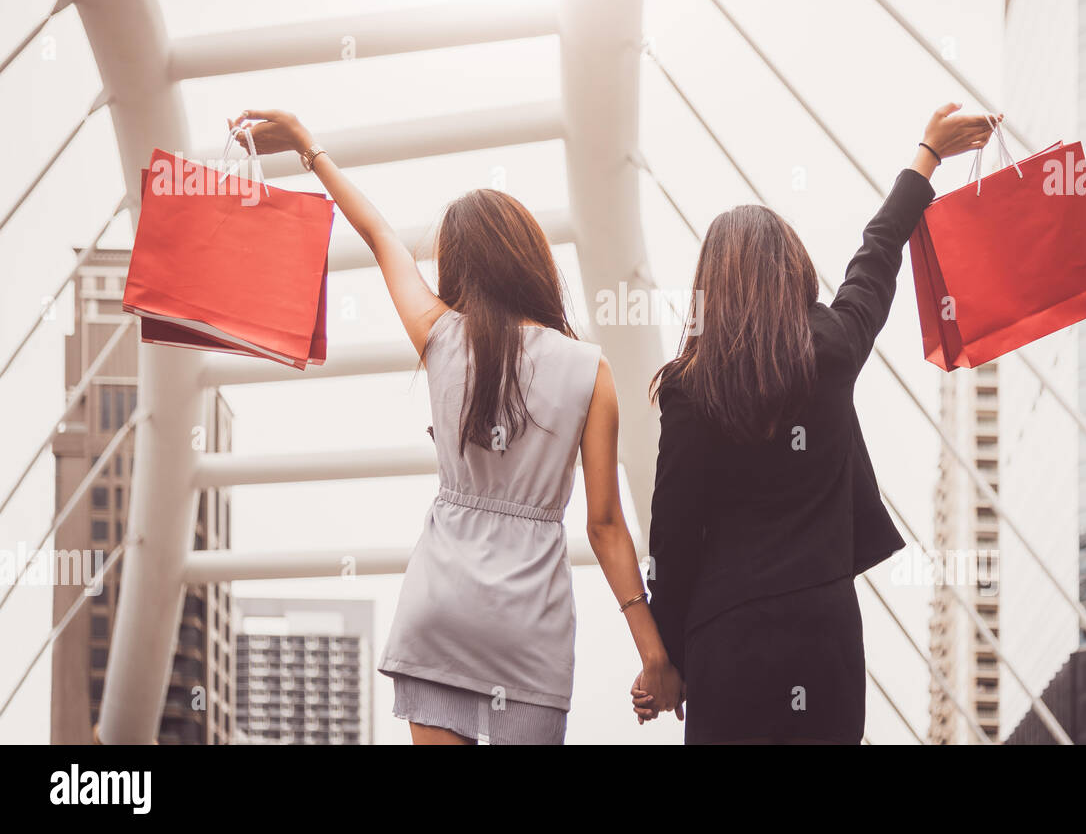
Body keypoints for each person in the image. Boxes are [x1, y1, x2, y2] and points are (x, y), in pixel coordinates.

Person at [230, 109, 683, 744]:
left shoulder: (441, 338)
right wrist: (653, 653)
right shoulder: (590, 372)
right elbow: (605, 525)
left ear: (462, 268)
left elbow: (380, 235)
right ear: (531, 260)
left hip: (440, 610)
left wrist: (310, 149)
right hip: (529, 626)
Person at [633, 104, 1002, 744]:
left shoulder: (689, 388)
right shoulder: (830, 347)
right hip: (823, 633)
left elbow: (670, 537)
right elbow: (878, 253)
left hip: (727, 639)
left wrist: (667, 660)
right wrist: (927, 155)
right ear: (792, 269)